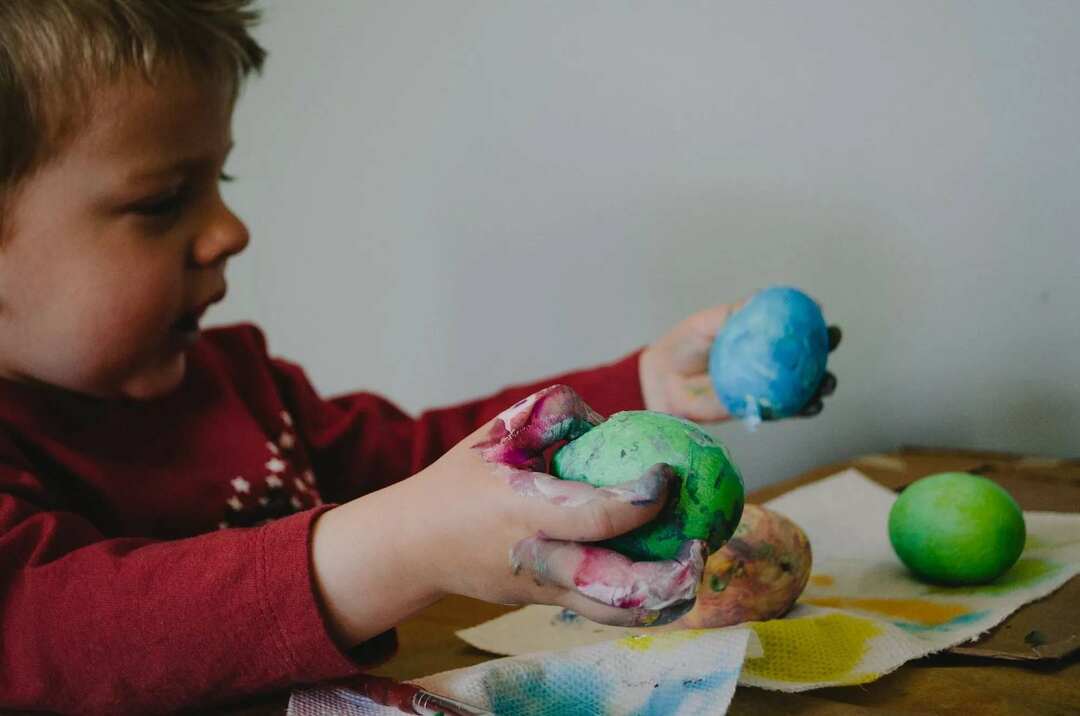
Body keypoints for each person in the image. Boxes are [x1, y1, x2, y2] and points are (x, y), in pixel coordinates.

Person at [0, 2, 838, 713]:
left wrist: (639, 389)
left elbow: (431, 469)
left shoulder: (245, 391)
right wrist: (399, 547)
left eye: (223, 179)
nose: (229, 231)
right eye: (161, 201)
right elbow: (43, 631)